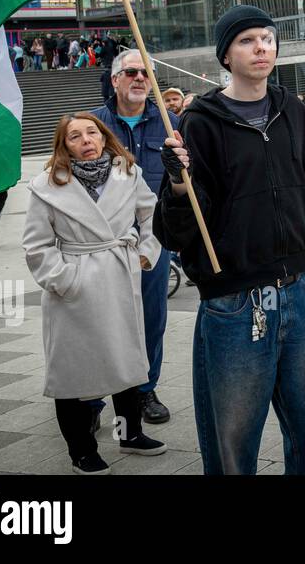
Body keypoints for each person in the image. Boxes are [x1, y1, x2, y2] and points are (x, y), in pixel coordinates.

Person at [154, 5, 305, 475]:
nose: (262, 47)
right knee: (233, 442)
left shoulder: (292, 108)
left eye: (268, 38)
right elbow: (177, 230)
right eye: (247, 40)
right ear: (225, 55)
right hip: (236, 300)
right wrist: (179, 185)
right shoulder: (200, 121)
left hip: (303, 288)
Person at [22, 113, 166, 474]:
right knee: (73, 371)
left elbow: (152, 215)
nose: (86, 140)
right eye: (75, 136)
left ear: (103, 138)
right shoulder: (48, 185)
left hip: (118, 275)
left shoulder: (127, 173)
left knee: (124, 361)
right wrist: (65, 279)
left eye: (92, 132)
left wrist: (146, 252)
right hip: (74, 285)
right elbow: (36, 245)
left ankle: (129, 435)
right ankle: (81, 450)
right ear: (64, 146)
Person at [91, 49, 179, 426]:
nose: (140, 78)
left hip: (152, 238)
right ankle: (90, 400)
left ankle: (144, 391)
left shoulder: (170, 122)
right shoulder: (92, 124)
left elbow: (183, 182)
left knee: (152, 318)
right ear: (115, 80)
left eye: (146, 73)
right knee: (98, 322)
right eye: (131, 72)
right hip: (101, 243)